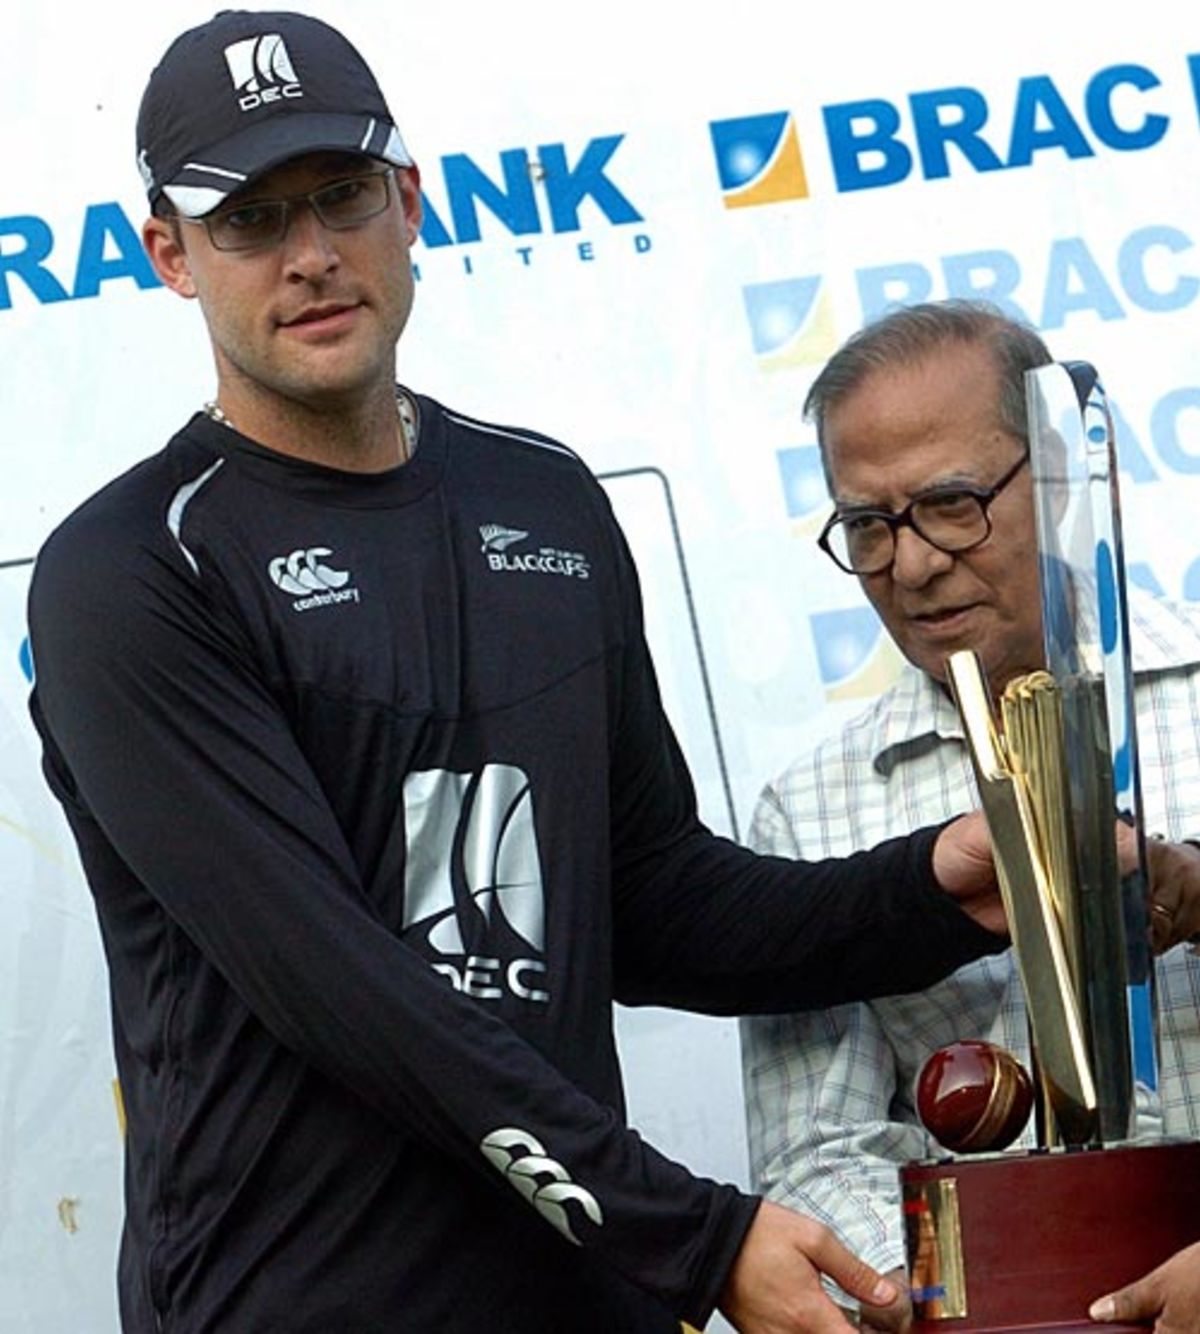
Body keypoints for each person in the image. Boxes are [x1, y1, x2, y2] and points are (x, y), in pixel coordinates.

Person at [25, 15, 1010, 1334]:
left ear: (408, 200)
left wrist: (933, 891)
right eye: (251, 219)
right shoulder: (136, 569)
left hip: (580, 1299)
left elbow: (652, 903)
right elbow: (347, 988)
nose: (311, 254)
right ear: (170, 253)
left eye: (341, 194)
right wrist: (694, 1235)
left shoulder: (544, 501)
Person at [739, 298, 1200, 1332]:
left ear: (1066, 480)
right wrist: (945, 1303)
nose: (911, 564)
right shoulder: (809, 811)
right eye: (868, 526)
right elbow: (818, 1151)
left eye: (951, 504)